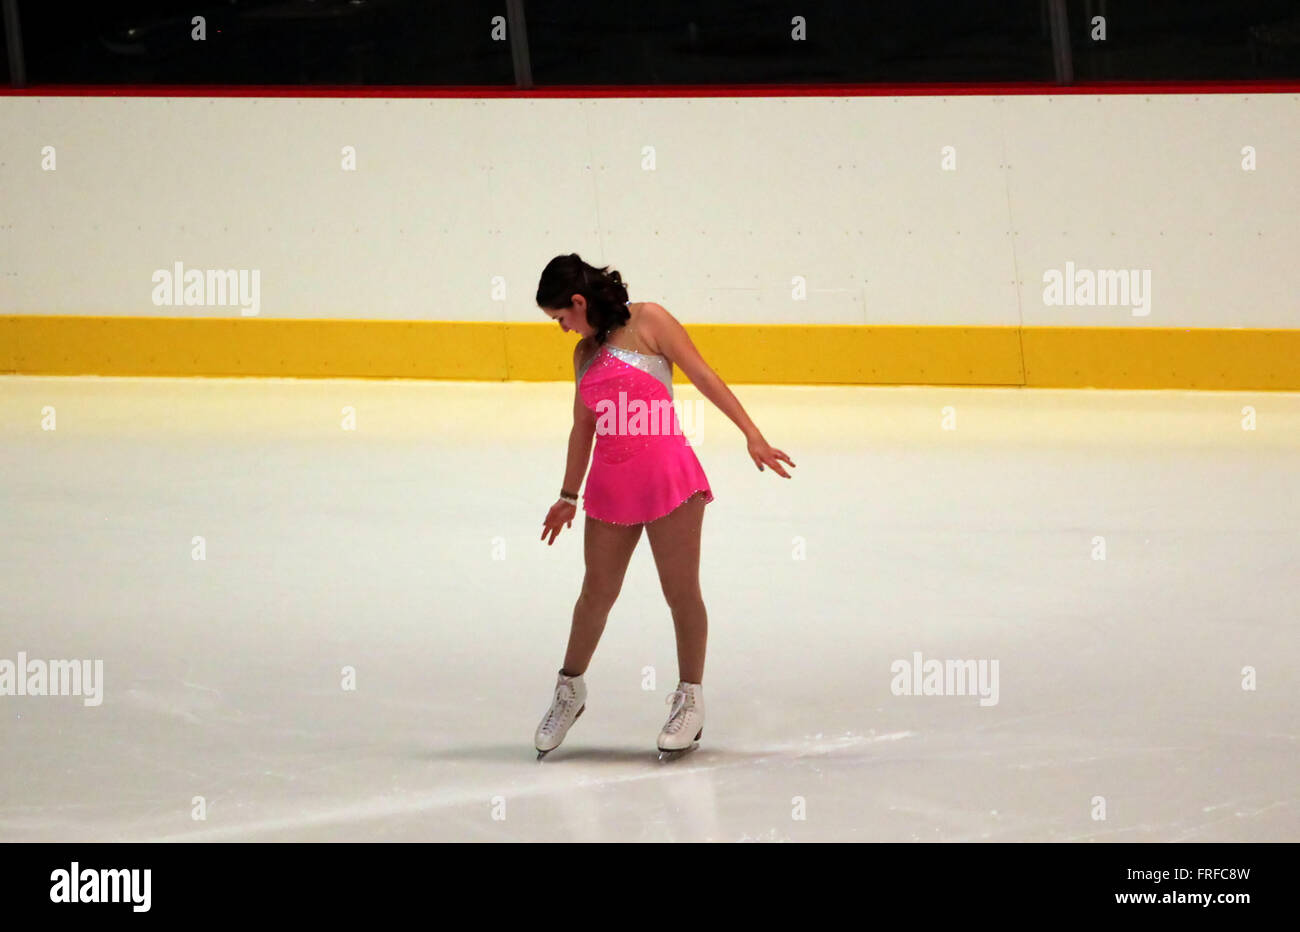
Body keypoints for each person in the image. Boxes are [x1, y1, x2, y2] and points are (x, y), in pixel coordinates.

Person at [532, 254, 795, 759]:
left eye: (561, 318)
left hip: (670, 480)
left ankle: (690, 699)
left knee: (681, 593)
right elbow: (582, 427)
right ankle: (570, 691)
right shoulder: (584, 355)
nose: (563, 329)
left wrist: (752, 434)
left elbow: (701, 373)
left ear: (580, 302)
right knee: (595, 595)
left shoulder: (649, 320)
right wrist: (568, 496)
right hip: (611, 487)